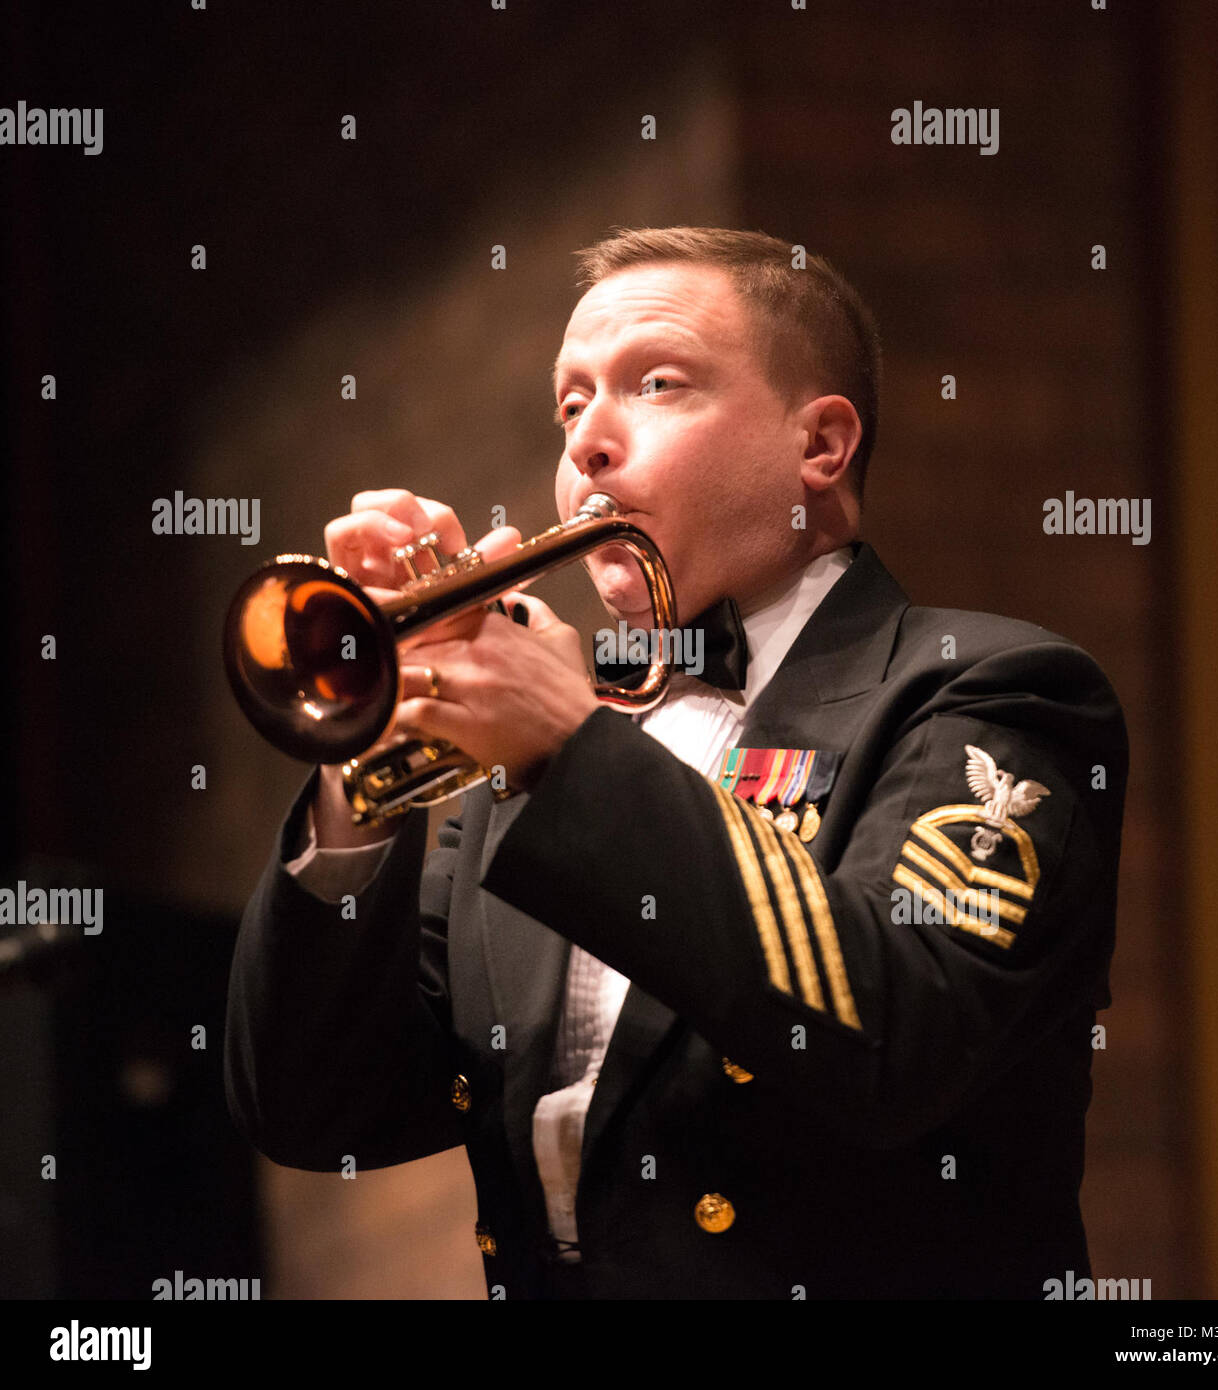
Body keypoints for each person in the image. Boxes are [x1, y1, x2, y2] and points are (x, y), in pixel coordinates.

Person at [224, 226, 1128, 1300]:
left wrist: (570, 749)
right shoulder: (522, 784)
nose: (588, 443)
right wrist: (363, 772)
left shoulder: (991, 687)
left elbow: (894, 1022)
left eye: (654, 384)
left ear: (821, 448)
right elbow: (315, 1109)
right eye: (568, 405)